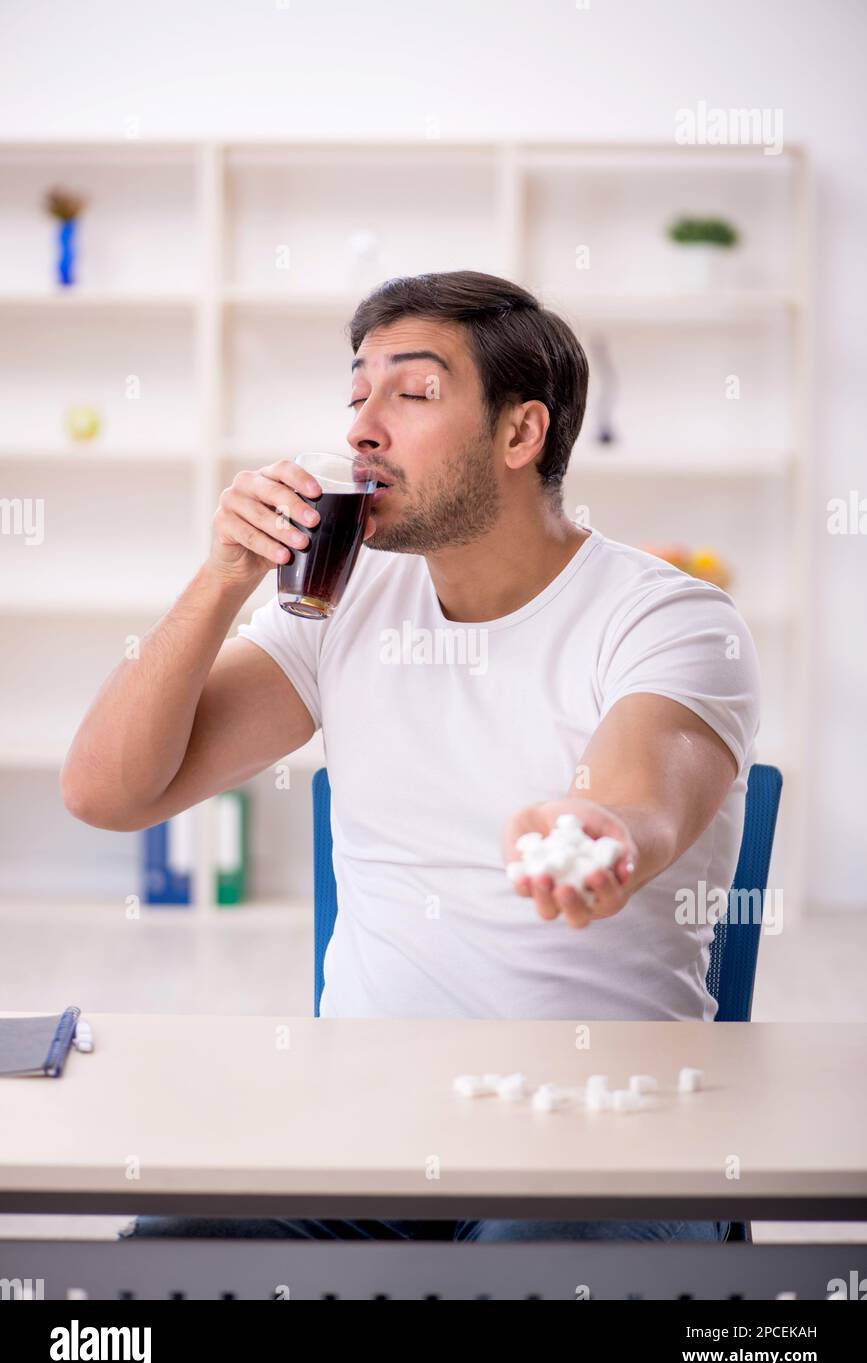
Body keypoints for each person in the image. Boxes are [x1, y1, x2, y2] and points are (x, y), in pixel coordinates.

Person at [64, 270, 758, 1245]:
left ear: (521, 434)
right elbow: (105, 791)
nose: (362, 429)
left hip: (600, 1122)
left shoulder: (669, 614)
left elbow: (646, 784)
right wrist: (223, 577)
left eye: (413, 393)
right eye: (356, 394)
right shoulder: (341, 600)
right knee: (173, 1250)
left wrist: (596, 828)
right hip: (369, 1117)